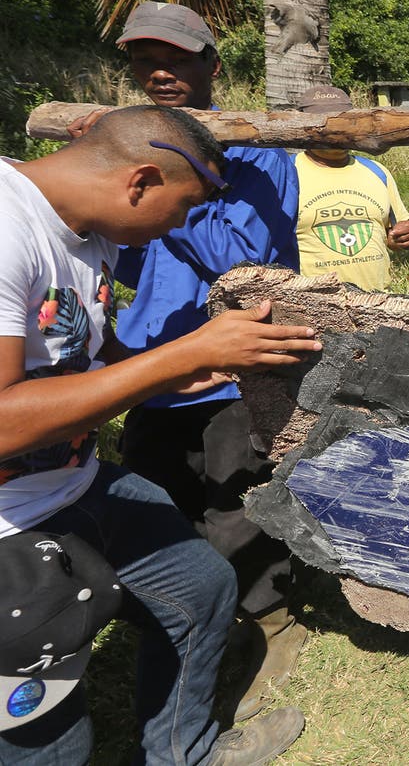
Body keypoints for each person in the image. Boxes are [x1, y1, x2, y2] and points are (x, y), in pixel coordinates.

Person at [0, 106, 320, 764]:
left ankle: (183, 752)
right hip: (9, 527)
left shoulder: (87, 231)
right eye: (182, 209)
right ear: (141, 181)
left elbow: (77, 351)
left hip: (73, 481)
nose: (179, 228)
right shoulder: (6, 229)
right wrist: (175, 357)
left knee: (199, 591)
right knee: (50, 743)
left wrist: (172, 375)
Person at [96, 1, 304, 723]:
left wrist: (179, 181)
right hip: (152, 368)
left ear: (213, 65)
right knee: (161, 510)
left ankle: (270, 625)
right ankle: (178, 637)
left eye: (179, 58)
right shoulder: (124, 151)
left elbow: (240, 265)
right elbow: (123, 262)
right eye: (144, 59)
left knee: (238, 511)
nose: (159, 72)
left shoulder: (261, 156)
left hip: (230, 369)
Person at [293, 85, 409, 291]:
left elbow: (397, 233)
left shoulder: (377, 171)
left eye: (342, 120)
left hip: (378, 304)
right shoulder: (287, 174)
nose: (334, 129)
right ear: (303, 126)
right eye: (323, 122)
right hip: (314, 306)